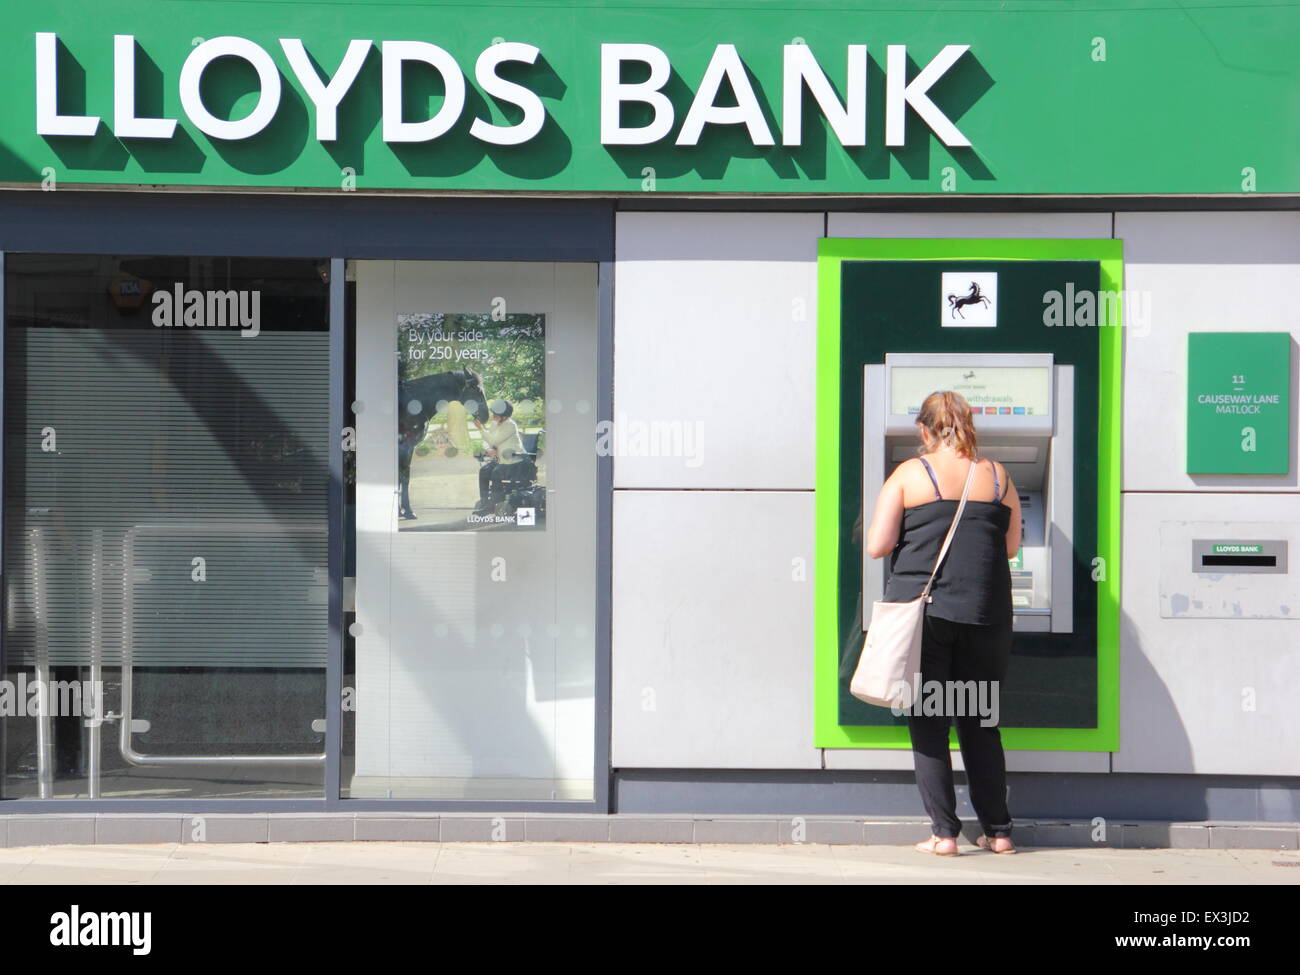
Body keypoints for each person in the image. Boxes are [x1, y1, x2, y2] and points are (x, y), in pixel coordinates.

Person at [864, 390, 1022, 856]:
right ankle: (999, 833)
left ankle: (945, 835)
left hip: (928, 616)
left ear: (924, 430)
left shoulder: (910, 474)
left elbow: (877, 545)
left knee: (931, 721)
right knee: (980, 722)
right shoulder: (999, 477)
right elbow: (1010, 549)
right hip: (987, 617)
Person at [471, 399, 526, 515]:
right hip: (501, 460)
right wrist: (489, 449)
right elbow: (489, 441)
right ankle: (485, 502)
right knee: (484, 471)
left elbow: (495, 440)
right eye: (493, 413)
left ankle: (493, 504)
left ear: (505, 416)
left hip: (513, 461)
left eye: (496, 414)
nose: (493, 416)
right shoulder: (494, 424)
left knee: (496, 472)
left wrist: (481, 428)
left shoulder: (510, 425)